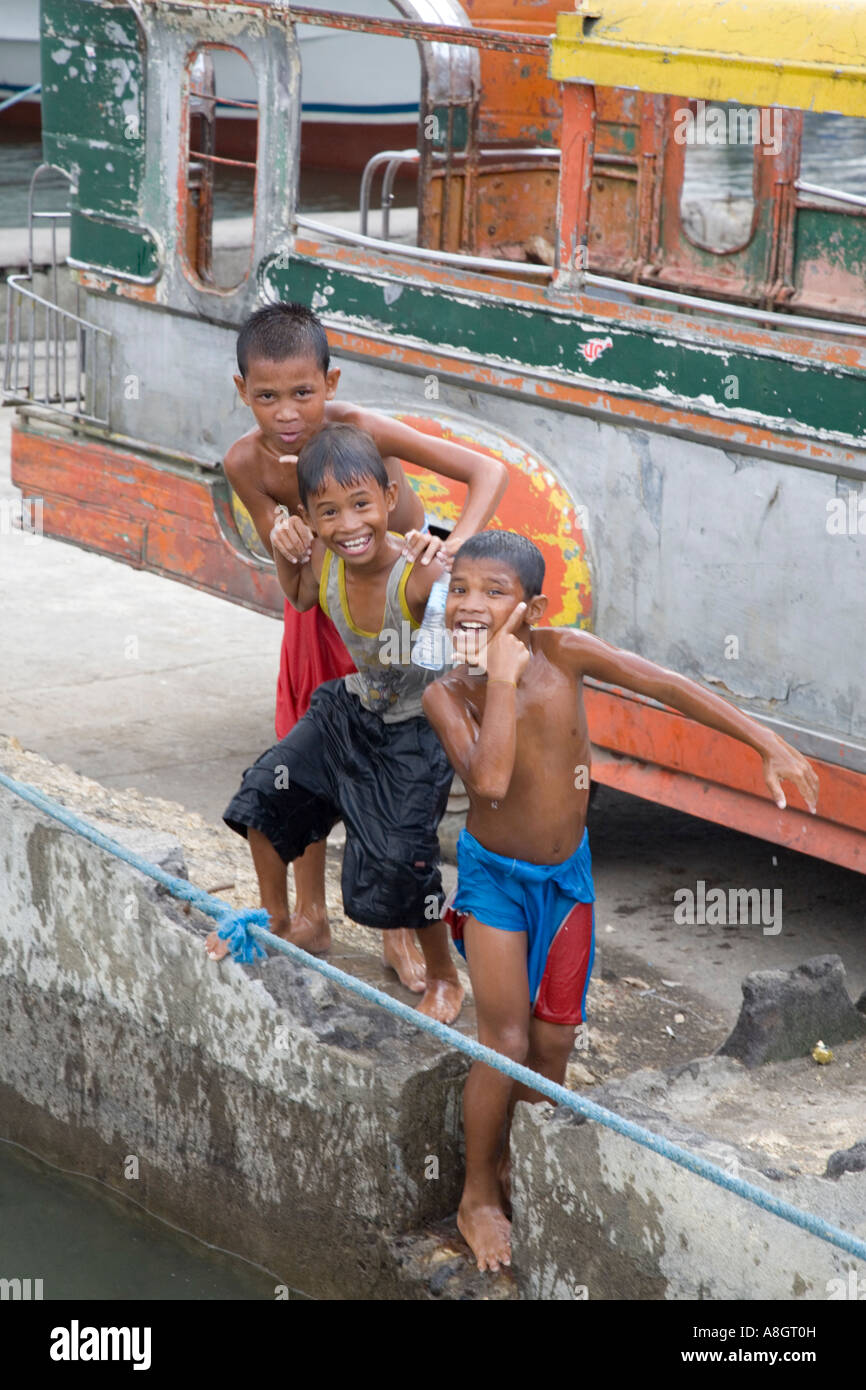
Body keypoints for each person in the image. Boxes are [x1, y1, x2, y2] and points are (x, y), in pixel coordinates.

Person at [422, 530, 820, 1273]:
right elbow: (492, 784)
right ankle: (477, 1194)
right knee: (503, 1041)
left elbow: (664, 685)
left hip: (567, 879)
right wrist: (499, 682)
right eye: (461, 589)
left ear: (533, 608)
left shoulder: (565, 651)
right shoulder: (446, 692)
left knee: (553, 1045)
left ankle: (524, 1163)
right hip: (494, 882)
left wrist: (761, 738)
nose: (471, 605)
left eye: (494, 591)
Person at [224, 301, 506, 992]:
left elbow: (487, 473)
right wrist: (287, 544)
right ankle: (306, 915)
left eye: (303, 393)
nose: (288, 412)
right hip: (327, 603)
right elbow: (296, 584)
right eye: (267, 397)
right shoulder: (246, 463)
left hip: (408, 600)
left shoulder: (365, 431)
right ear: (242, 394)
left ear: (332, 382)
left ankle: (400, 932)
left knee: (397, 779)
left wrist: (453, 548)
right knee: (306, 760)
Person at [206, 424, 465, 1024]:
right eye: (327, 512)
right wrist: (283, 541)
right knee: (261, 796)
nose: (349, 525)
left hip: (415, 730)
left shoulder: (419, 572)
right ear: (310, 517)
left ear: (390, 498)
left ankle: (446, 975)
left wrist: (450, 560)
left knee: (406, 860)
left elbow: (466, 636)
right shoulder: (322, 559)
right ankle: (279, 919)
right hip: (350, 710)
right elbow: (298, 597)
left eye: (361, 505)